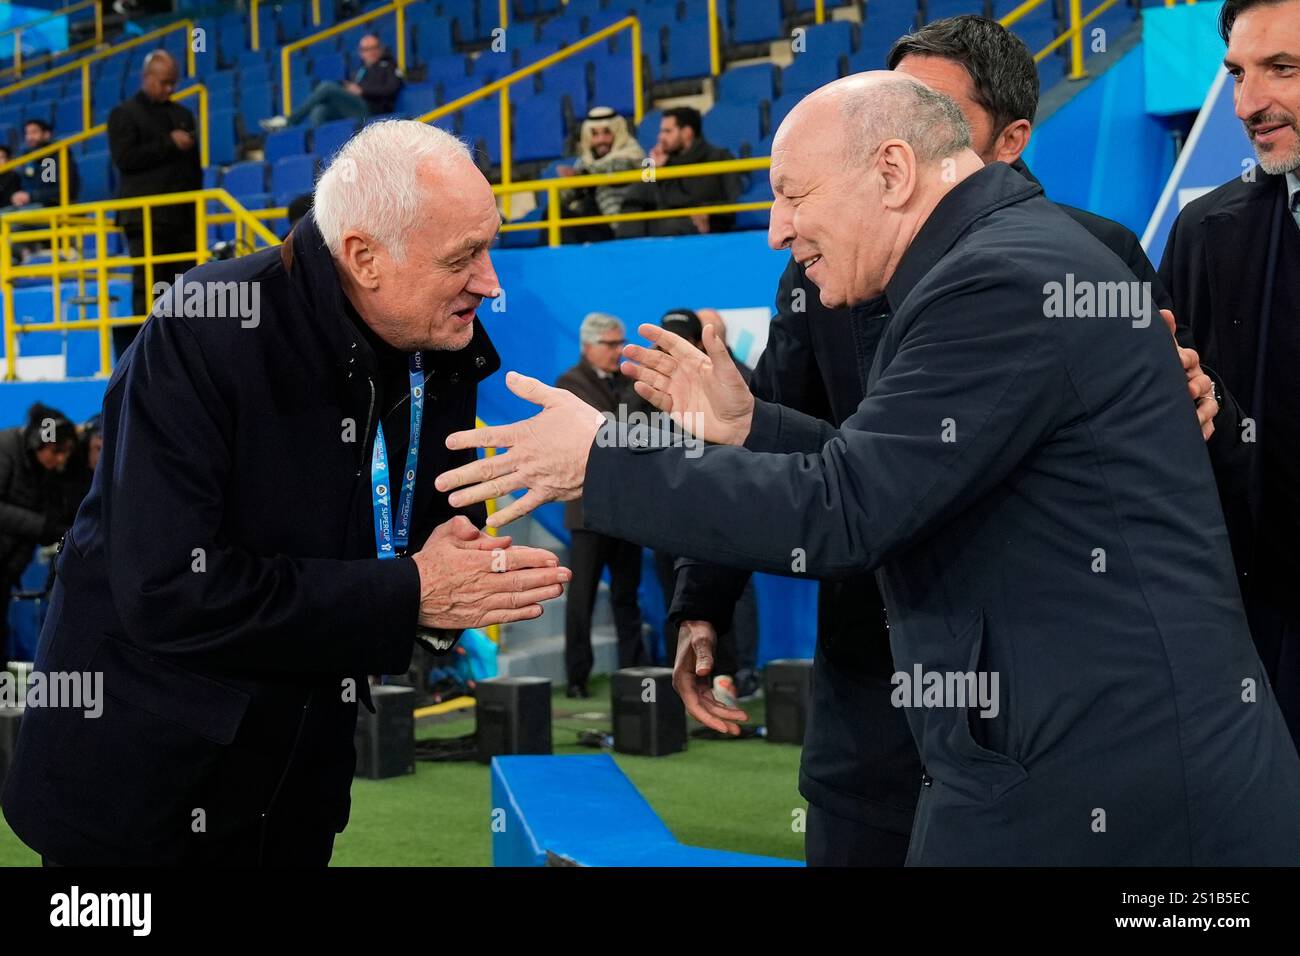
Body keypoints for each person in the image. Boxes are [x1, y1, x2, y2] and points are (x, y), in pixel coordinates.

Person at [437, 74, 1300, 865]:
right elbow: (901, 471)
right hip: (1076, 766)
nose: (776, 228)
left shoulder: (996, 280)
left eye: (791, 196)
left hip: (1105, 790)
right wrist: (751, 427)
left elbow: (847, 511)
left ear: (892, 170)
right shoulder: (1001, 260)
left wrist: (602, 460)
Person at [668, 14, 1211, 867]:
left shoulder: (1089, 257)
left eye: (927, 109)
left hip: (1033, 711)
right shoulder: (820, 265)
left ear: (1008, 139)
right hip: (868, 694)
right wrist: (702, 603)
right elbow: (760, 420)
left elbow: (1156, 457)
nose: (899, 131)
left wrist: (1196, 407)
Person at [0, 120, 571, 866]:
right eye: (463, 257)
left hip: (297, 792)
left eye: (489, 247)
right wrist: (411, 595)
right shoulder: (204, 331)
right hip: (143, 795)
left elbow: (424, 553)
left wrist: (445, 600)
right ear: (363, 256)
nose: (491, 281)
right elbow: (170, 588)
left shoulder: (442, 351)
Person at [1159, 0, 1300, 746]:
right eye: (1239, 74)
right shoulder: (1207, 233)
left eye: (1283, 69)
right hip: (1258, 643)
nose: (1249, 103)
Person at [554, 312, 648, 697]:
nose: (617, 350)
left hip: (627, 509)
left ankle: (635, 671)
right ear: (588, 346)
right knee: (582, 599)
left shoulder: (629, 380)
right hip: (588, 510)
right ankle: (577, 676)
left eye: (620, 342)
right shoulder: (569, 383)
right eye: (610, 344)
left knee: (628, 596)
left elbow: (638, 430)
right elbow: (608, 428)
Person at [107, 49, 202, 358]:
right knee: (149, 286)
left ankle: (189, 352)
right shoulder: (124, 113)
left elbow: (194, 168)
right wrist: (168, 143)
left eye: (173, 83)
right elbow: (125, 160)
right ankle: (145, 357)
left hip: (182, 216)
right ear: (146, 78)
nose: (170, 89)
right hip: (145, 217)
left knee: (187, 289)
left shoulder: (184, 114)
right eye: (163, 82)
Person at [0, 404, 76, 675]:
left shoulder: (44, 471)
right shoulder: (6, 449)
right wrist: (42, 526)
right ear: (37, 443)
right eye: (56, 452)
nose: (60, 460)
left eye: (65, 453)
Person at [619, 107, 741, 237]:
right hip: (667, 225)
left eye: (667, 131)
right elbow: (635, 196)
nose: (660, 137)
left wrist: (707, 210)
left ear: (687, 133)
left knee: (669, 227)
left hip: (708, 227)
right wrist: (653, 169)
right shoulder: (659, 160)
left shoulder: (720, 157)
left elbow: (735, 200)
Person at [261, 34, 403, 131]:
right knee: (320, 110)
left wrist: (362, 91)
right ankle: (320, 152)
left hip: (372, 109)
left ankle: (289, 120)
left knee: (326, 87)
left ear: (380, 49)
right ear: (361, 53)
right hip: (354, 107)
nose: (370, 52)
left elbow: (391, 89)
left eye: (373, 48)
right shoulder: (361, 69)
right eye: (366, 49)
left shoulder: (389, 65)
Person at [557, 106, 645, 244]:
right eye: (595, 134)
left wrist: (582, 176)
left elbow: (618, 169)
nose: (601, 140)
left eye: (606, 133)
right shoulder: (583, 162)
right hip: (591, 222)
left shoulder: (635, 154)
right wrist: (573, 185)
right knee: (555, 213)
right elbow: (564, 197)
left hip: (619, 226)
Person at [2, 119, 80, 210]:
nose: (29, 137)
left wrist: (31, 196)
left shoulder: (52, 158)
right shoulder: (27, 158)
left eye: (34, 132)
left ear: (46, 134)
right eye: (27, 133)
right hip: (31, 206)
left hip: (52, 207)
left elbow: (57, 192)